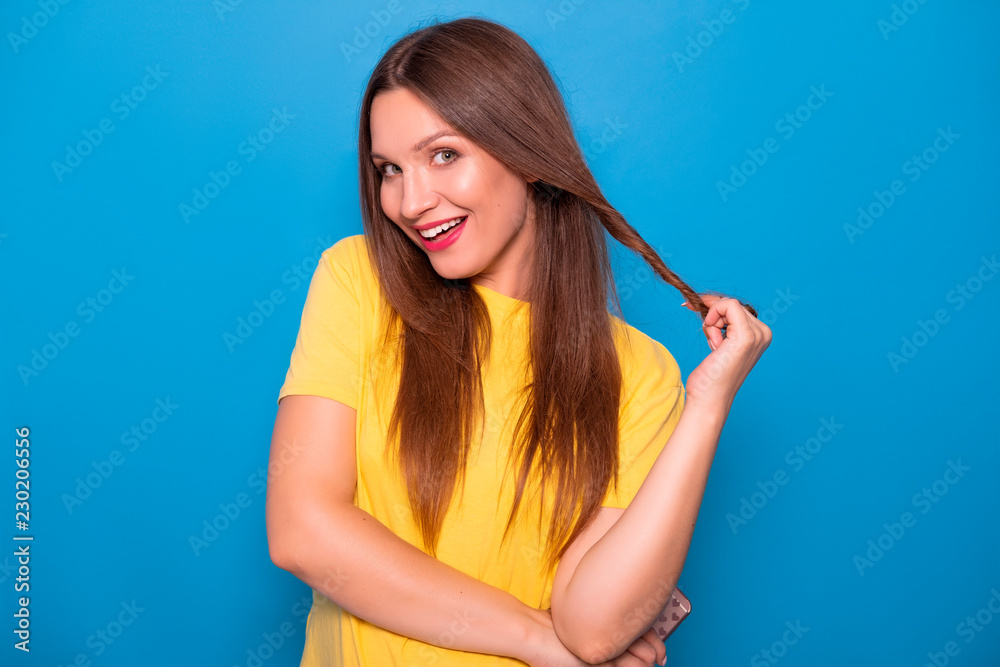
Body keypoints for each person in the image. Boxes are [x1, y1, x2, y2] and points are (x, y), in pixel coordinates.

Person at [265, 16, 771, 667]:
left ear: (527, 155)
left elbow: (593, 627)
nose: (411, 200)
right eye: (389, 168)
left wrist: (707, 403)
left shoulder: (640, 372)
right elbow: (304, 532)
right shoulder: (360, 280)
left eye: (444, 154)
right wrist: (537, 638)